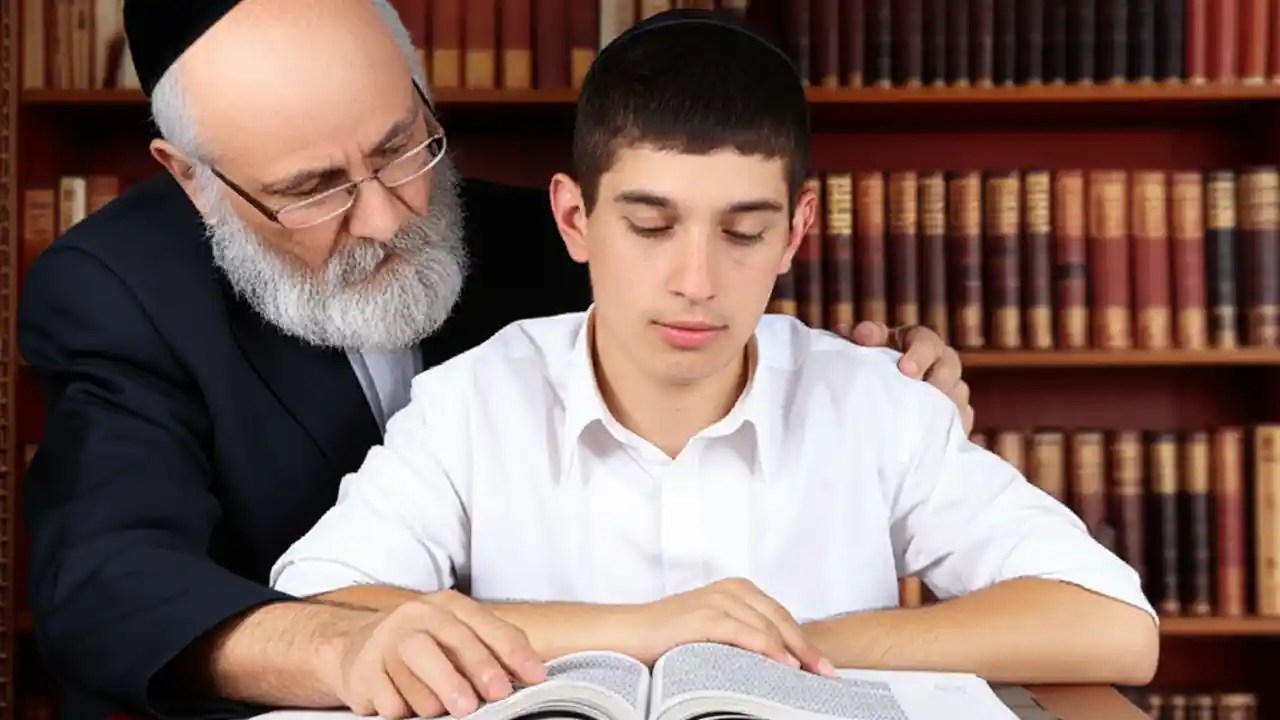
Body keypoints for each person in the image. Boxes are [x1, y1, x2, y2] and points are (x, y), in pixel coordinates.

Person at [16, 1, 976, 719]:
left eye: (402, 146)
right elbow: (106, 580)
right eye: (313, 190)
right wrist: (341, 651)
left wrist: (883, 385)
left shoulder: (550, 244)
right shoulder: (117, 287)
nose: (386, 217)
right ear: (192, 179)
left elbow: (721, 341)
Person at [269, 9, 1161, 720]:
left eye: (743, 232)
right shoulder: (475, 398)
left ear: (797, 232)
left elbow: (1113, 626)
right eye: (651, 227)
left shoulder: (874, 402)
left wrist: (780, 646)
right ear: (575, 220)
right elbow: (322, 607)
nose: (696, 282)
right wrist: (649, 631)